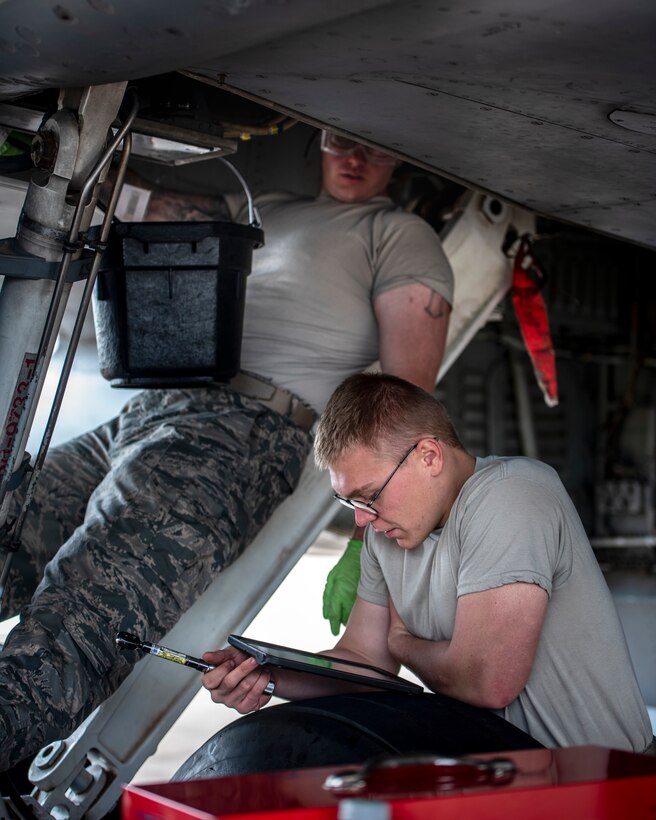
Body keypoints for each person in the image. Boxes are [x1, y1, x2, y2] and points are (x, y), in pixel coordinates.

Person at [0, 133, 454, 769]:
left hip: (240, 435)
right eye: (340, 141)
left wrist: (365, 542)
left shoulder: (397, 233)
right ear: (318, 139)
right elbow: (153, 205)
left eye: (376, 148)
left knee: (85, 615)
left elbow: (403, 409)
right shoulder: (264, 205)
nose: (355, 158)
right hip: (149, 409)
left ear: (400, 155)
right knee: (7, 534)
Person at [201, 372, 655, 754]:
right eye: (348, 501)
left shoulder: (513, 495)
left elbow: (488, 681)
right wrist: (269, 675)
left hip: (606, 783)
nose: (361, 519)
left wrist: (403, 643)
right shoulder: (387, 535)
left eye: (369, 495)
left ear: (429, 456)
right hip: (510, 781)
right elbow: (363, 661)